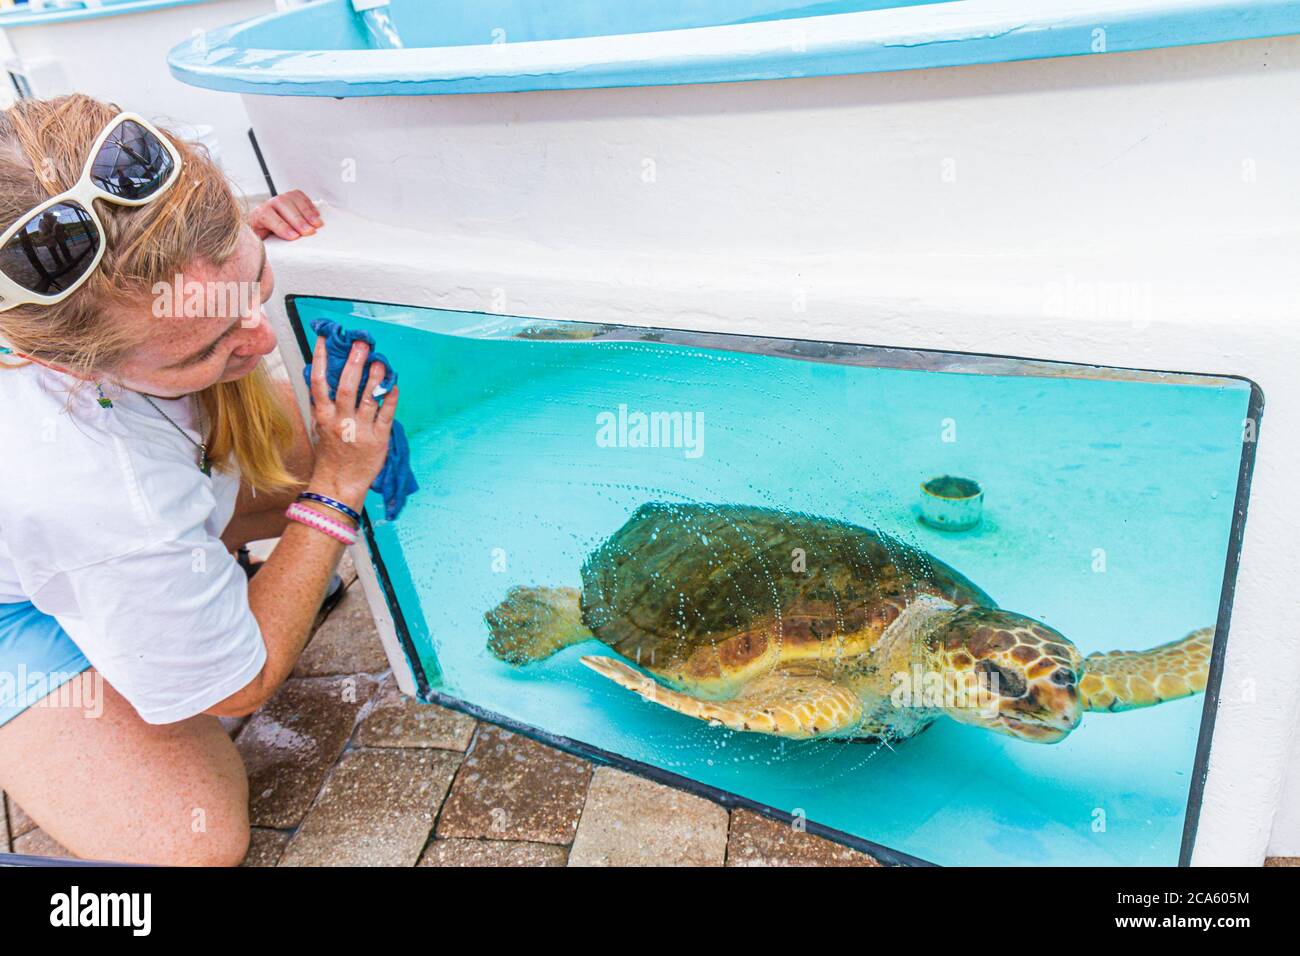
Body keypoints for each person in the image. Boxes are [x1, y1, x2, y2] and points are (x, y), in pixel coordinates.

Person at [0, 94, 399, 865]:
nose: (259, 336)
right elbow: (238, 690)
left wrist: (239, 235)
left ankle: (156, 606)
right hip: (16, 603)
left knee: (351, 441)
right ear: (65, 365)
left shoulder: (106, 232)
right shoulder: (88, 485)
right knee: (190, 840)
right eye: (202, 350)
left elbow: (156, 266)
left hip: (100, 522)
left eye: (248, 284)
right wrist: (335, 490)